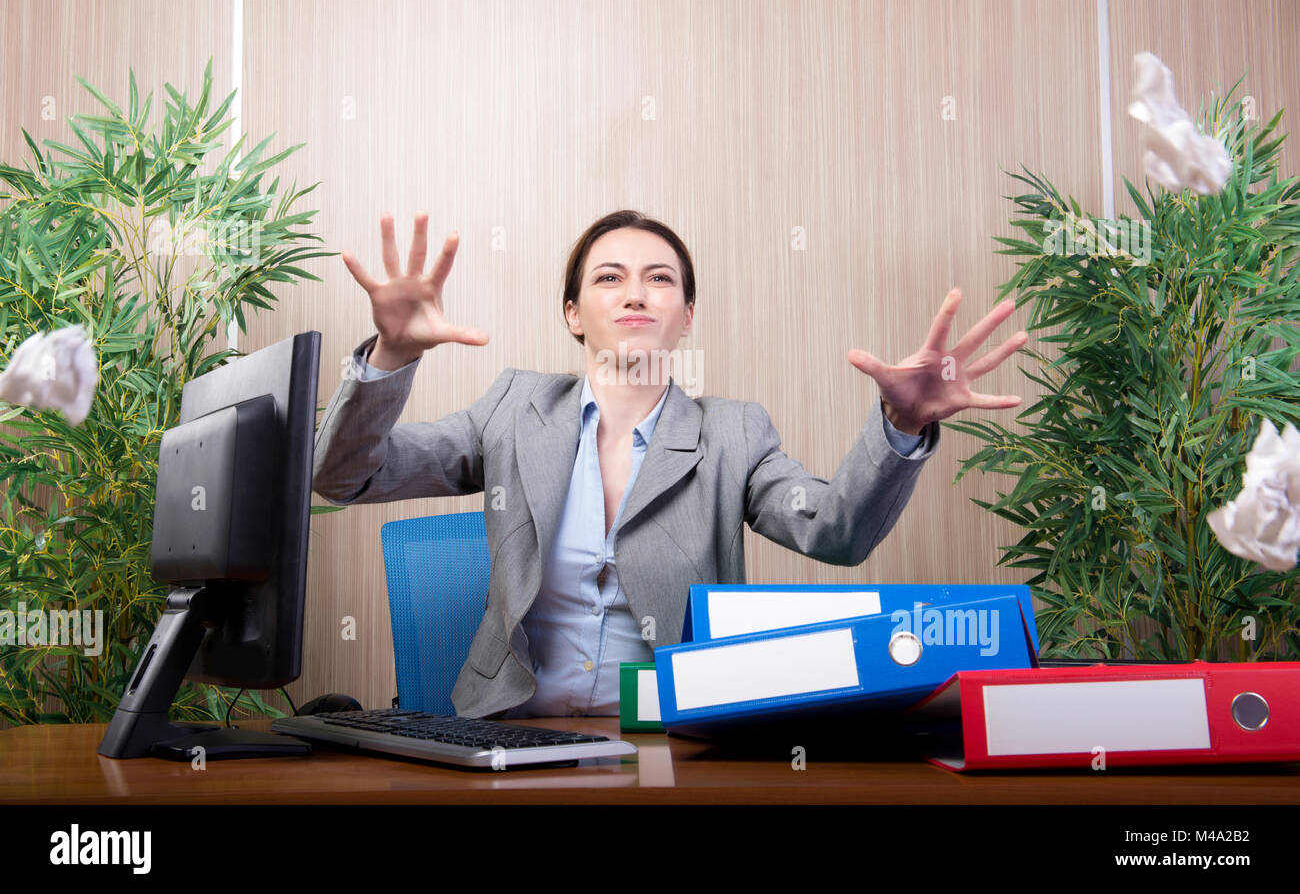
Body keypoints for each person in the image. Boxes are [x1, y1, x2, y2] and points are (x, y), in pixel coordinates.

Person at [312, 209, 1029, 719]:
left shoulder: (734, 431)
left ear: (686, 314)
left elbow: (836, 531)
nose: (634, 292)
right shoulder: (510, 407)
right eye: (609, 277)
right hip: (510, 734)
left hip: (676, 739)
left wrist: (902, 424)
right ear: (573, 312)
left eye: (660, 278)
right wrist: (392, 357)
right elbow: (344, 476)